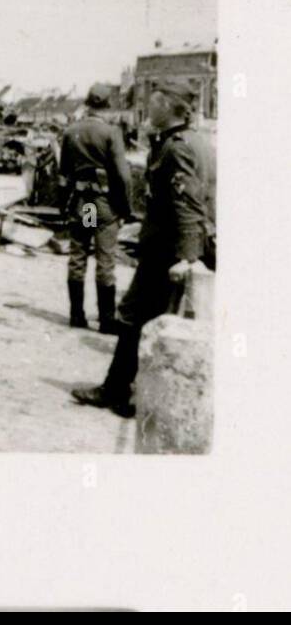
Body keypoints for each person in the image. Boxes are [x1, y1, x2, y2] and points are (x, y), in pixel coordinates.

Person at [73, 80, 215, 418]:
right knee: (130, 297)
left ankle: (115, 385)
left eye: (152, 103)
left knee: (126, 306)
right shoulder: (191, 141)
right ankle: (125, 384)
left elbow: (186, 203)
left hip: (144, 240)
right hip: (140, 230)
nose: (148, 109)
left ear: (166, 104)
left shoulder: (176, 147)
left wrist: (187, 256)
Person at [59, 85, 133, 331]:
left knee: (78, 257)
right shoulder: (111, 133)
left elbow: (63, 175)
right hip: (102, 205)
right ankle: (106, 319)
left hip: (83, 204)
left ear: (88, 103)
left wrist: (63, 206)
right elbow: (123, 177)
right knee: (105, 260)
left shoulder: (71, 132)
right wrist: (125, 209)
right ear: (107, 106)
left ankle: (76, 315)